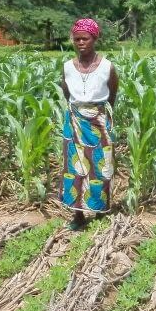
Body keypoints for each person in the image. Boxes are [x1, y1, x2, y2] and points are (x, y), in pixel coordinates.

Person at [59, 18, 119, 231]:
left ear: (95, 39)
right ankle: (78, 215)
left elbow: (112, 93)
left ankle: (100, 212)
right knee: (74, 168)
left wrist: (100, 115)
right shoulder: (67, 67)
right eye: (77, 39)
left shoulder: (106, 67)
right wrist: (79, 112)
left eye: (85, 38)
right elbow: (67, 93)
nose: (80, 43)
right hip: (74, 120)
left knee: (101, 167)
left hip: (99, 119)